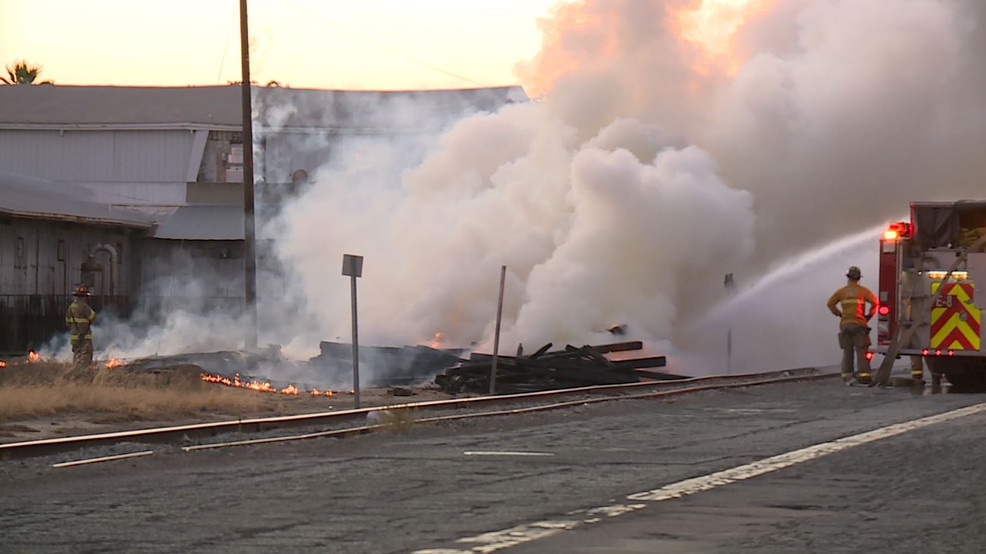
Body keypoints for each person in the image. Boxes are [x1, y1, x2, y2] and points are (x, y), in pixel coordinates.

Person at [826, 266, 878, 385]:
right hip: (859, 324)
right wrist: (868, 316)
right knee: (861, 350)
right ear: (859, 278)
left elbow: (830, 304)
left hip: (845, 324)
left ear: (848, 278)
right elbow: (875, 303)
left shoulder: (841, 291)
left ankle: (847, 375)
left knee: (847, 351)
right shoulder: (864, 291)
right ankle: (864, 375)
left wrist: (839, 314)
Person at [65, 284, 96, 371]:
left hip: (74, 337)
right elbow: (93, 317)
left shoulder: (71, 307)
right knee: (86, 356)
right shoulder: (84, 307)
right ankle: (83, 375)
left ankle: (75, 373)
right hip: (84, 336)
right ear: (84, 296)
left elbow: (67, 323)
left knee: (77, 356)